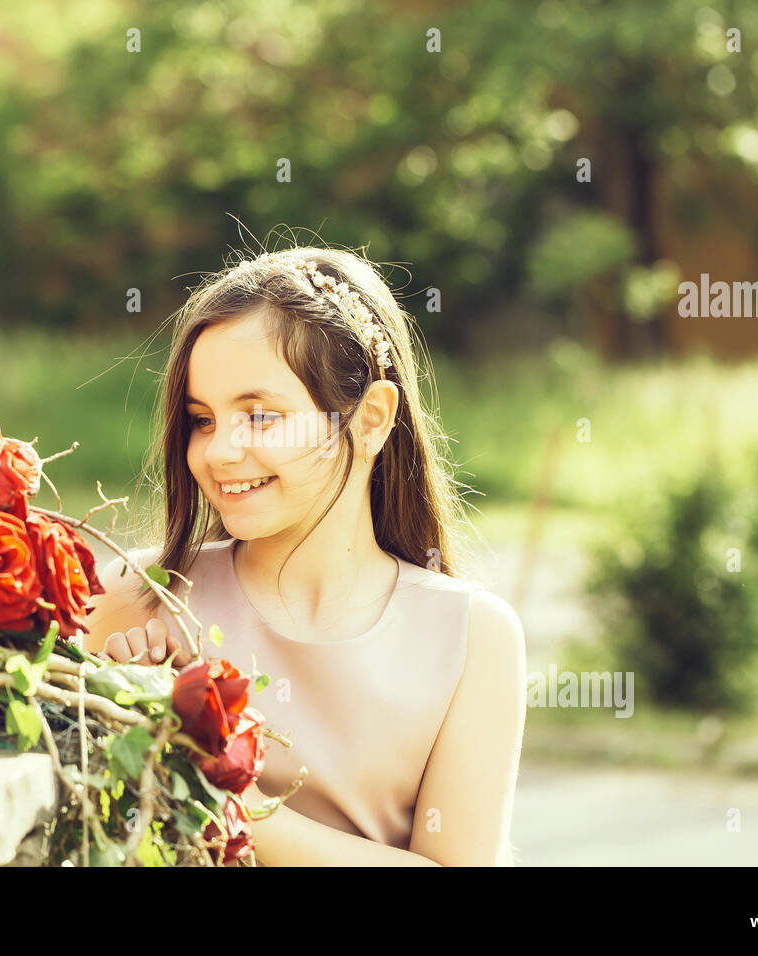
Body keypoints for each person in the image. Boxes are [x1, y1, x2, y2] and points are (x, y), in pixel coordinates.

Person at [84, 245, 526, 866]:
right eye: (202, 420)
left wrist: (206, 785)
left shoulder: (472, 637)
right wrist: (118, 715)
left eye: (260, 415)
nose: (218, 452)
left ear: (370, 420)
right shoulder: (136, 599)